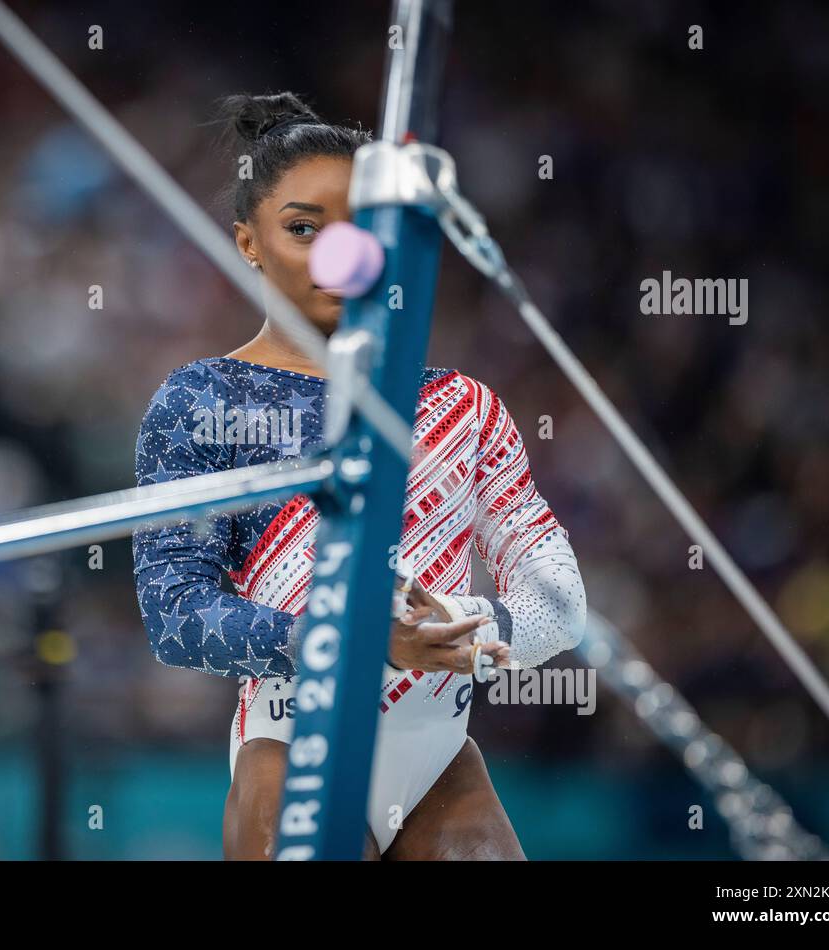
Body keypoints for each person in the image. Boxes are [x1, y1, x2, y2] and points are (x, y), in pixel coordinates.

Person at [132, 93, 586, 860]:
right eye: (303, 228)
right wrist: (361, 640)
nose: (335, 257)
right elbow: (176, 617)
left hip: (441, 755)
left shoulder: (462, 407)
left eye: (357, 230)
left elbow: (562, 605)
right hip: (292, 741)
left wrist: (460, 632)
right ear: (248, 242)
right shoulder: (203, 401)